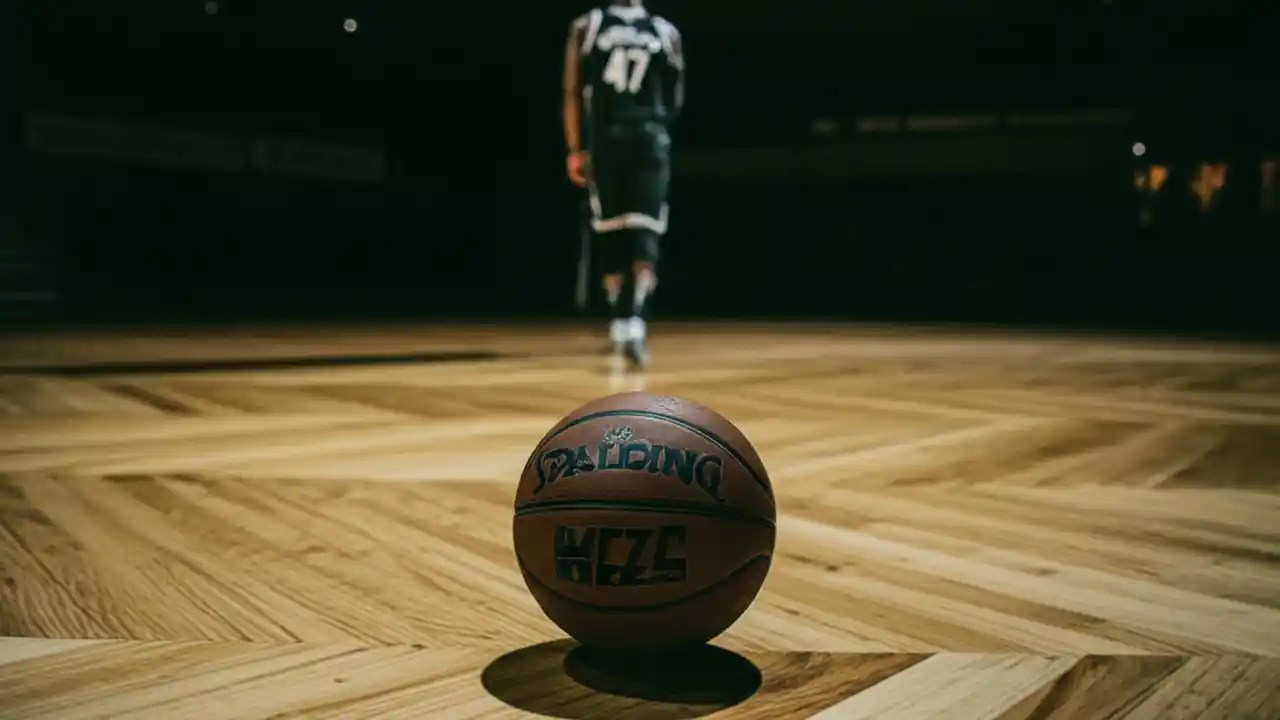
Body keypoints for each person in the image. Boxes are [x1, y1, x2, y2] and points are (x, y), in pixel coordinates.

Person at [563, 0, 685, 369]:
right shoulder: (591, 24)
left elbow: (674, 93)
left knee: (643, 232)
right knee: (615, 233)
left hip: (637, 139)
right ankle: (625, 322)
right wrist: (576, 148)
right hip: (615, 140)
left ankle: (633, 320)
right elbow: (573, 90)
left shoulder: (662, 31)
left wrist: (575, 146)